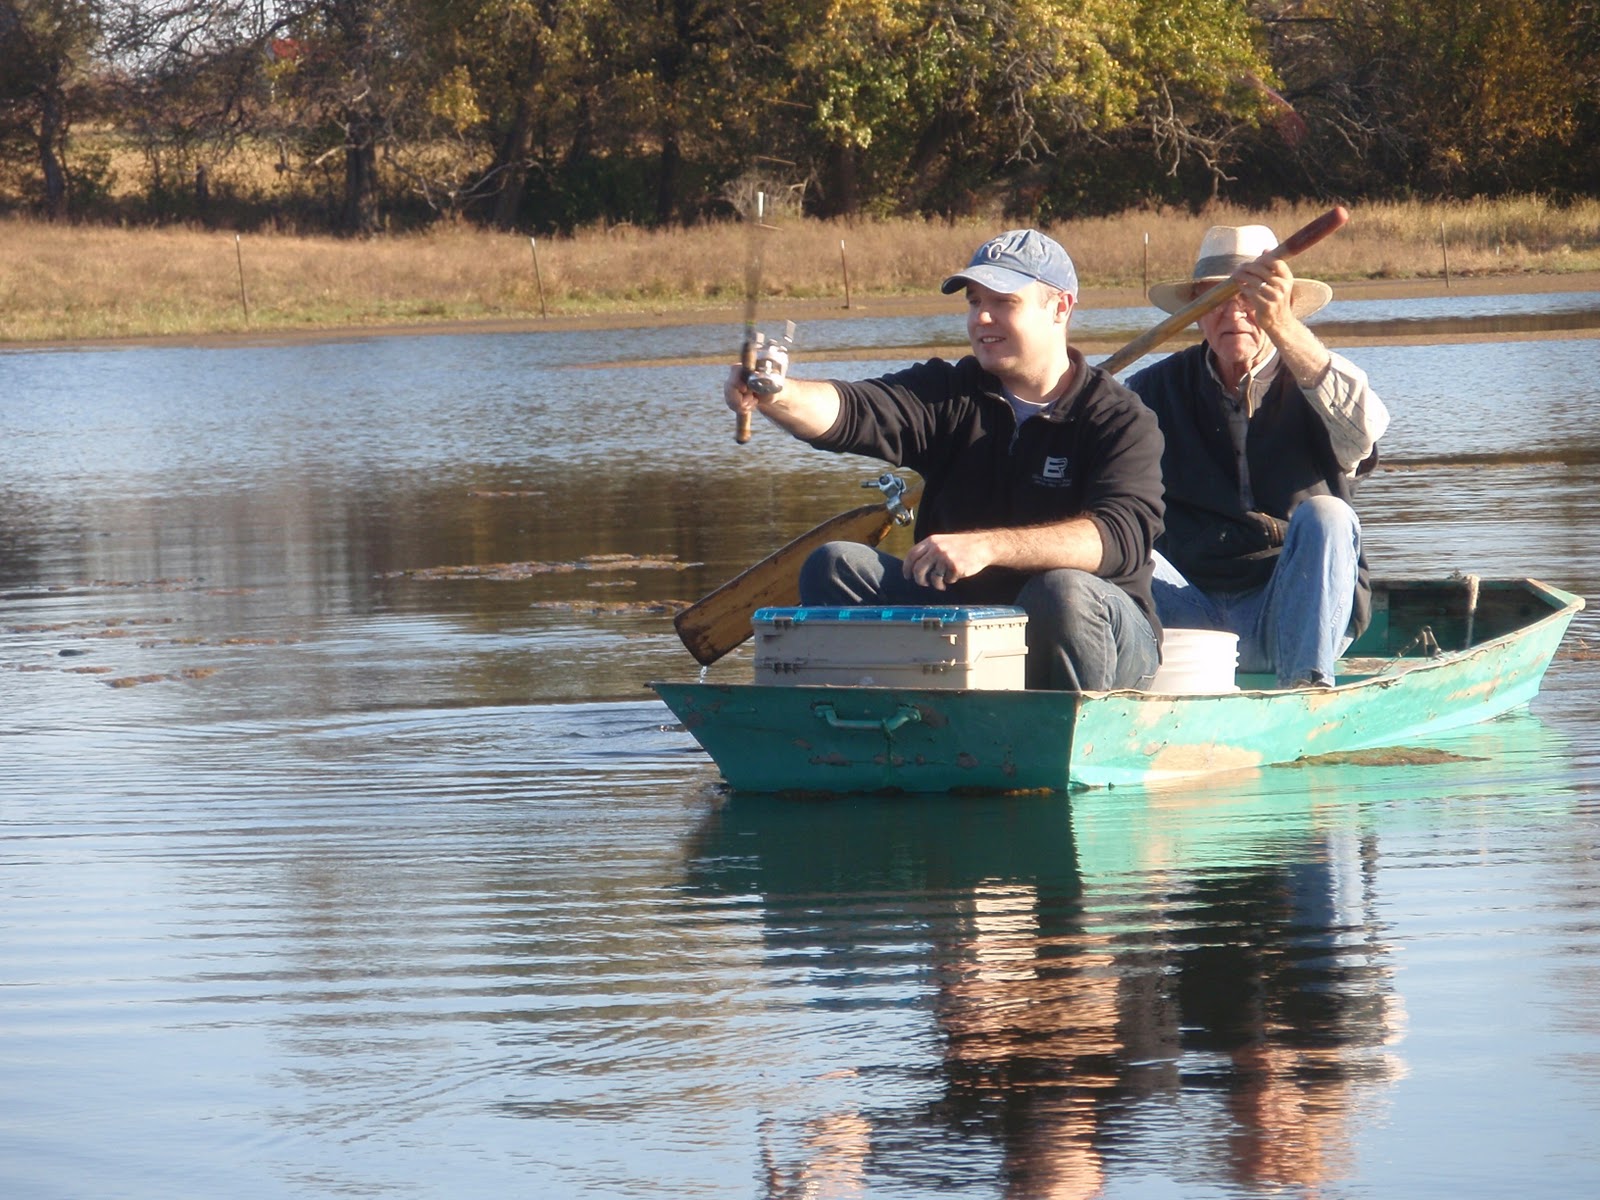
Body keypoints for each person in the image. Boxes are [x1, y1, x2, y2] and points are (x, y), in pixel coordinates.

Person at [724, 228, 1165, 691]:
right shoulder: (951, 393)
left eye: (1003, 302)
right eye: (974, 302)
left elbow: (1117, 538)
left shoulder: (1121, 418)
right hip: (962, 624)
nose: (982, 318)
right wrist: (776, 395)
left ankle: (1070, 737)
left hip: (1105, 631)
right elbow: (856, 411)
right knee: (835, 565)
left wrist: (987, 547)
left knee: (1060, 592)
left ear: (1060, 308)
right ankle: (870, 730)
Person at [1126, 224, 1390, 688]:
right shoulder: (1150, 391)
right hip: (1190, 612)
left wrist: (1283, 326)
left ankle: (1307, 687)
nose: (1234, 311)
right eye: (1216, 297)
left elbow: (1365, 435)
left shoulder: (1315, 377)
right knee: (1118, 535)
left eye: (1251, 295)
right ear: (1196, 312)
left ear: (1281, 302)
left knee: (1328, 515)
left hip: (1293, 611)